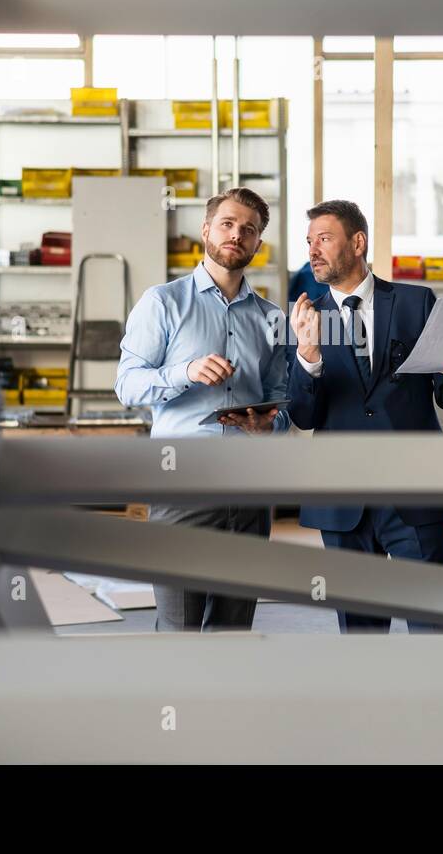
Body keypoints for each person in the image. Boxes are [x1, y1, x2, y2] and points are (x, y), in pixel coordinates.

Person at [287, 199, 443, 634]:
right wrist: (308, 356)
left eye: (324, 238)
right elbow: (302, 414)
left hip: (413, 493)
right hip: (342, 501)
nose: (313, 250)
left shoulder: (416, 303)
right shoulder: (303, 317)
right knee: (361, 632)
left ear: (358, 242)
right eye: (309, 241)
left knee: (433, 623)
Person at [115, 187, 289, 632]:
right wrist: (185, 371)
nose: (237, 235)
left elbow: (281, 396)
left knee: (233, 626)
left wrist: (269, 426)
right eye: (228, 224)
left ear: (257, 245)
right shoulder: (163, 302)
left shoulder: (272, 318)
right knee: (180, 623)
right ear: (207, 230)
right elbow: (127, 385)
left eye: (249, 230)